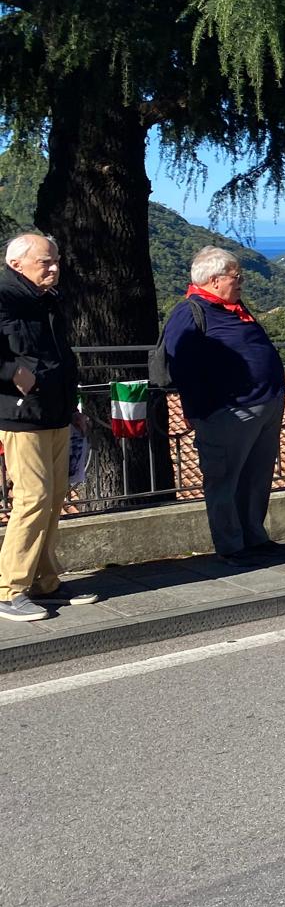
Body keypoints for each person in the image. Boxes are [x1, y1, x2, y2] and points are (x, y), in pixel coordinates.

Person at [163, 246, 285, 561]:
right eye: (236, 276)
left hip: (263, 405)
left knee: (256, 477)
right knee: (224, 481)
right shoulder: (190, 312)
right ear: (215, 280)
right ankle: (231, 545)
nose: (241, 280)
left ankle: (254, 537)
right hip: (227, 412)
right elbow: (181, 366)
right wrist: (200, 409)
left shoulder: (234, 307)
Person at [0, 233, 98, 621]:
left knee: (54, 497)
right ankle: (10, 589)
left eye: (56, 261)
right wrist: (12, 373)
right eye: (46, 262)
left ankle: (45, 582)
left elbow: (60, 357)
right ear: (17, 264)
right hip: (22, 416)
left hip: (54, 413)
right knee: (33, 498)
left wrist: (72, 406)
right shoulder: (4, 297)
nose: (55, 268)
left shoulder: (47, 300)